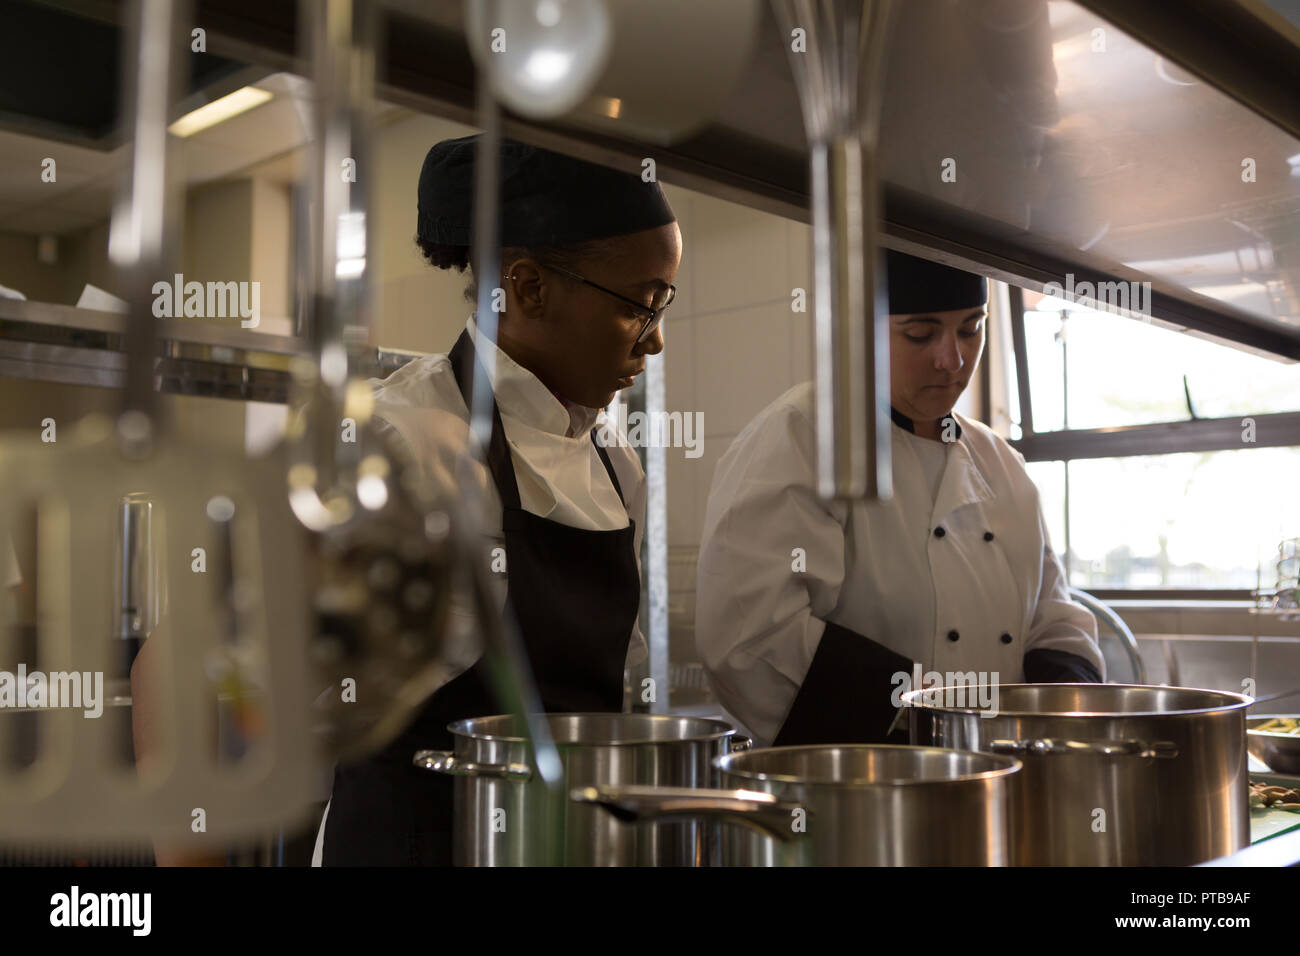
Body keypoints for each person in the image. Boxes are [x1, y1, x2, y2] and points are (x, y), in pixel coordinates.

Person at [315, 134, 682, 865]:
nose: (656, 341)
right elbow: (197, 682)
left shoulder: (615, 462)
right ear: (526, 286)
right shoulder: (399, 440)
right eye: (640, 306)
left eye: (664, 304)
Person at [695, 250, 1103, 748]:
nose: (951, 360)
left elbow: (1055, 620)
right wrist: (918, 730)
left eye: (971, 329)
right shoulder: (804, 434)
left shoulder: (1001, 462)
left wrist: (1051, 723)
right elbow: (751, 634)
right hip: (860, 782)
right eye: (920, 334)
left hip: (998, 775)